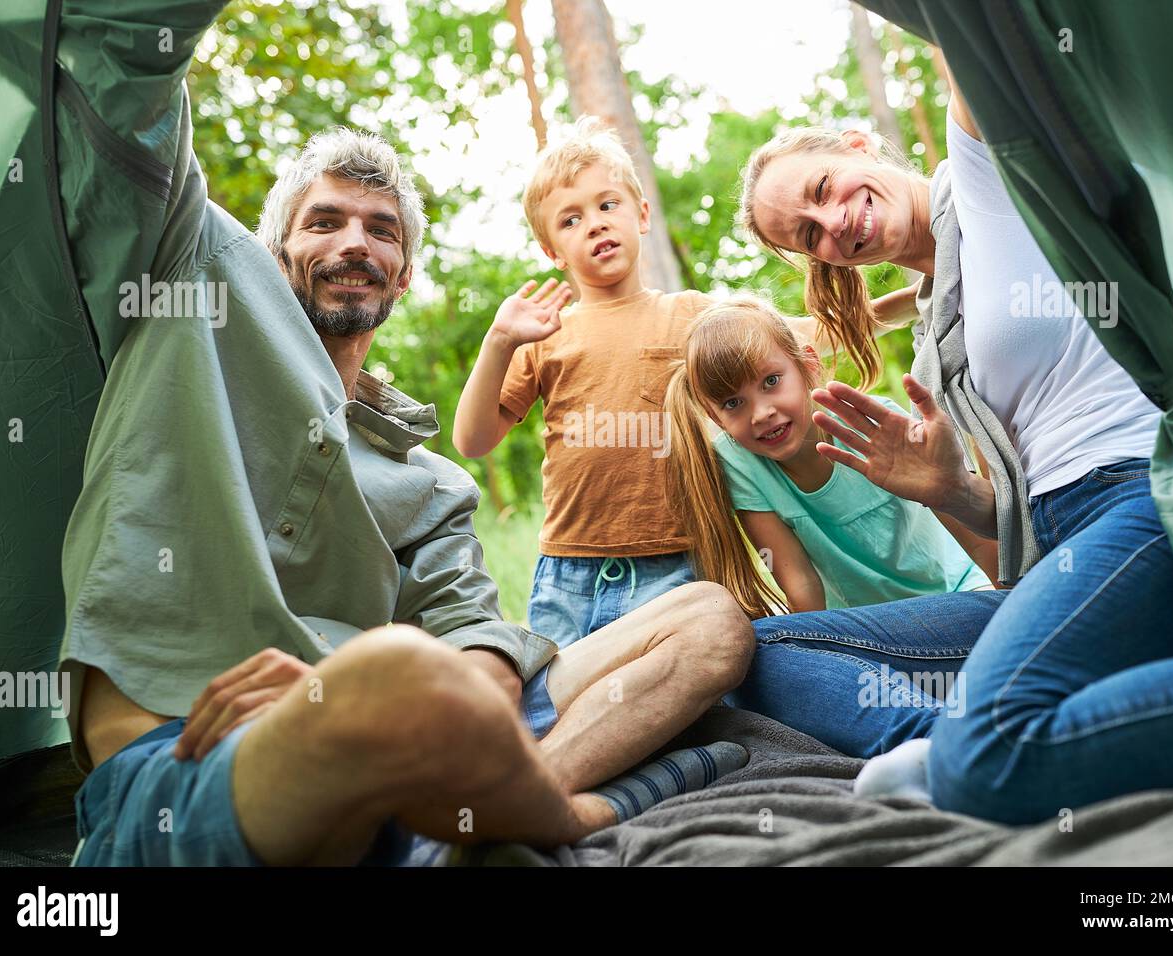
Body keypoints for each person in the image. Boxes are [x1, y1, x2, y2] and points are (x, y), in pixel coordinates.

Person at [59, 8, 755, 867]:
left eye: (380, 230)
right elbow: (119, 64)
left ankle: (493, 803)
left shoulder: (428, 483)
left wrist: (449, 686)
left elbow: (477, 640)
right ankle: (530, 812)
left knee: (711, 620)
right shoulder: (192, 280)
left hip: (416, 725)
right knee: (397, 679)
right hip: (195, 755)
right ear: (273, 251)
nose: (355, 240)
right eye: (324, 222)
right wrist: (347, 695)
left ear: (404, 273)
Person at [724, 61, 1173, 824]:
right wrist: (947, 489)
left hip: (1147, 494)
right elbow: (1005, 536)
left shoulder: (981, 190)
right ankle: (951, 748)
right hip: (1063, 547)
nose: (835, 223)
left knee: (998, 747)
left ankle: (978, 759)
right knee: (765, 651)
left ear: (858, 147)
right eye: (809, 235)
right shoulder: (932, 353)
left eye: (824, 189)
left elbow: (970, 42)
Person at [452, 118, 720, 649]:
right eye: (570, 220)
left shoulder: (694, 314)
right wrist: (500, 341)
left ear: (641, 215)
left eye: (607, 205)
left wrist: (873, 313)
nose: (595, 224)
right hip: (568, 573)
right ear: (553, 251)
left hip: (676, 561)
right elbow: (473, 440)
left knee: (675, 695)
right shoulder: (542, 335)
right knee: (561, 703)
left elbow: (787, 340)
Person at [662, 293, 994, 619]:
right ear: (714, 415)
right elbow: (799, 583)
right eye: (732, 403)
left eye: (771, 381)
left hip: (960, 592)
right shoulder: (740, 463)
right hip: (866, 626)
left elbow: (976, 539)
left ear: (808, 366)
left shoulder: (878, 429)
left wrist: (1005, 598)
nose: (761, 413)